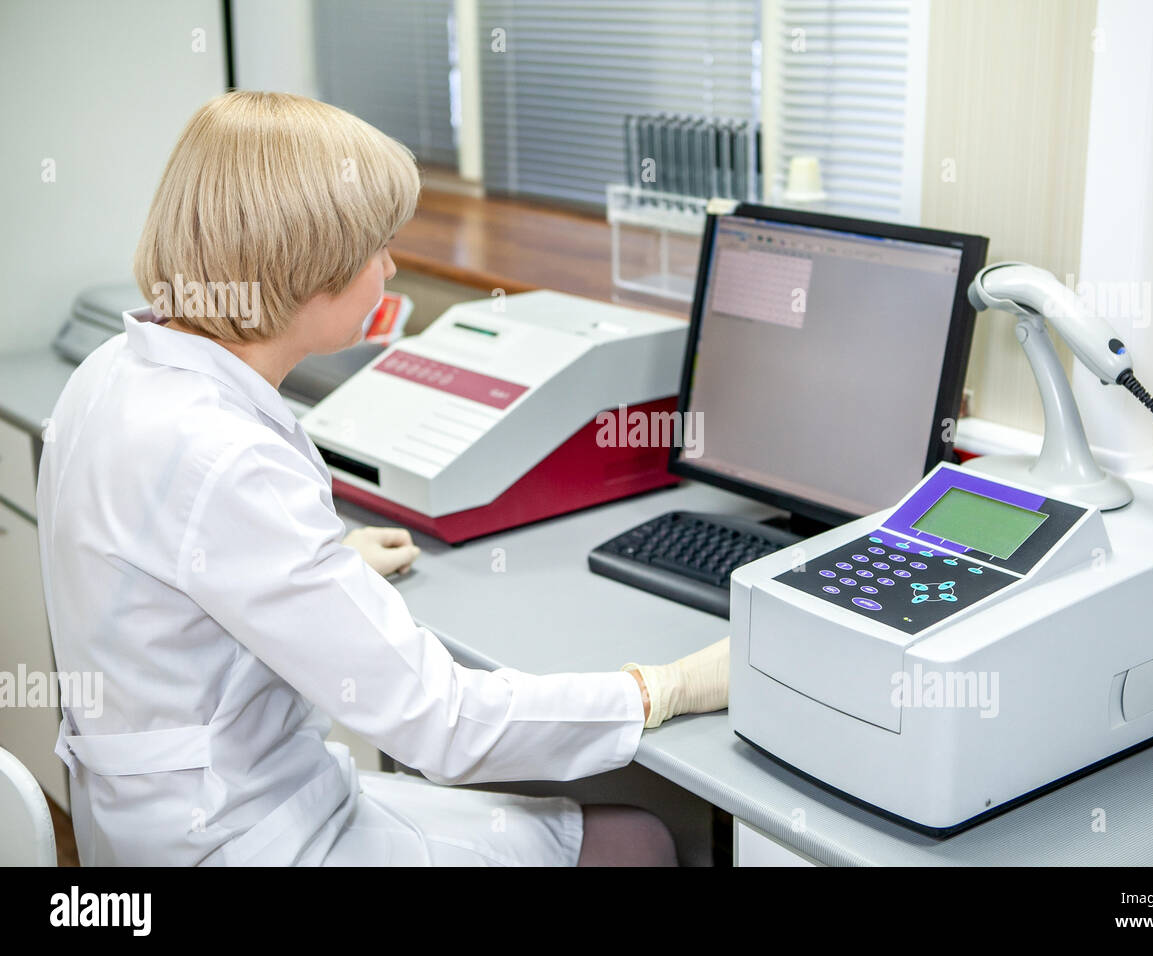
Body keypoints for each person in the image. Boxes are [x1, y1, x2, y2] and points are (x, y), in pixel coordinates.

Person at [36, 90, 728, 866]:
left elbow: (170, 578)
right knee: (636, 842)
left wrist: (319, 571)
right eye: (377, 248)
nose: (391, 267)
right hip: (241, 837)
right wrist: (664, 687)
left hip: (160, 813)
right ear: (311, 272)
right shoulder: (226, 456)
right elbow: (444, 723)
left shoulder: (113, 371)